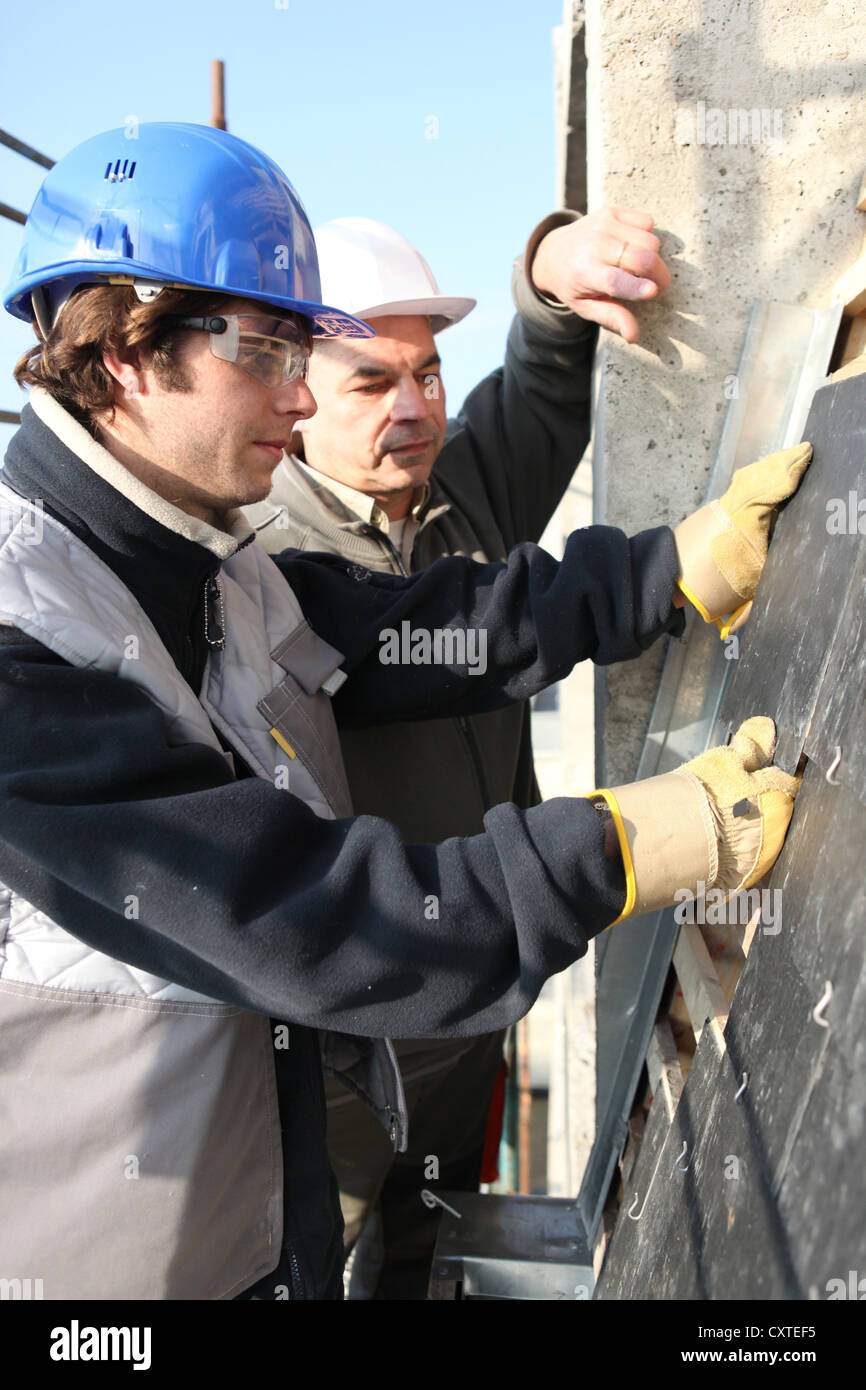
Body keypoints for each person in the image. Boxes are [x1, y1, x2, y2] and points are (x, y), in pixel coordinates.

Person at [0, 122, 806, 1301]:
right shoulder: (24, 632)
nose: (296, 392)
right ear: (125, 351)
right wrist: (619, 844)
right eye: (270, 351)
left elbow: (426, 627)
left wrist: (667, 571)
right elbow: (291, 907)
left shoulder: (213, 566)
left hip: (254, 1226)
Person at [245, 207, 672, 1298]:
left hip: (473, 1015)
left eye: (428, 374)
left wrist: (549, 269)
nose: (413, 408)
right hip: (344, 1049)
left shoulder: (465, 502)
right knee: (326, 1268)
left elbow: (536, 384)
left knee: (431, 1256)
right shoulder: (261, 568)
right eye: (371, 383)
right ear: (293, 397)